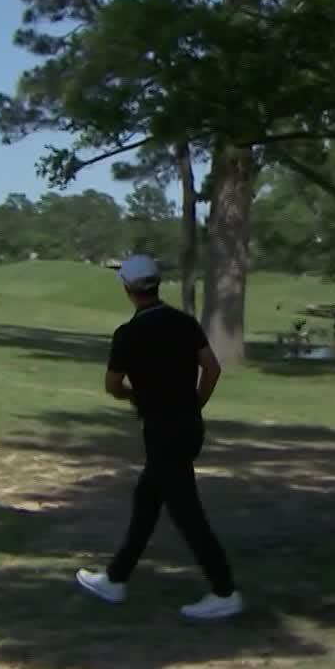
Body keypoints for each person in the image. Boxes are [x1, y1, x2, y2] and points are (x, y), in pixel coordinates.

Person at [75, 253, 244, 620]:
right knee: (147, 500)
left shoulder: (128, 334)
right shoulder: (184, 323)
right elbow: (211, 368)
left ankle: (224, 591)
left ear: (128, 289)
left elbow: (112, 385)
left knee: (186, 513)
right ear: (156, 283)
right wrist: (195, 403)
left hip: (161, 431)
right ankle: (115, 579)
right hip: (188, 425)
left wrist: (133, 394)